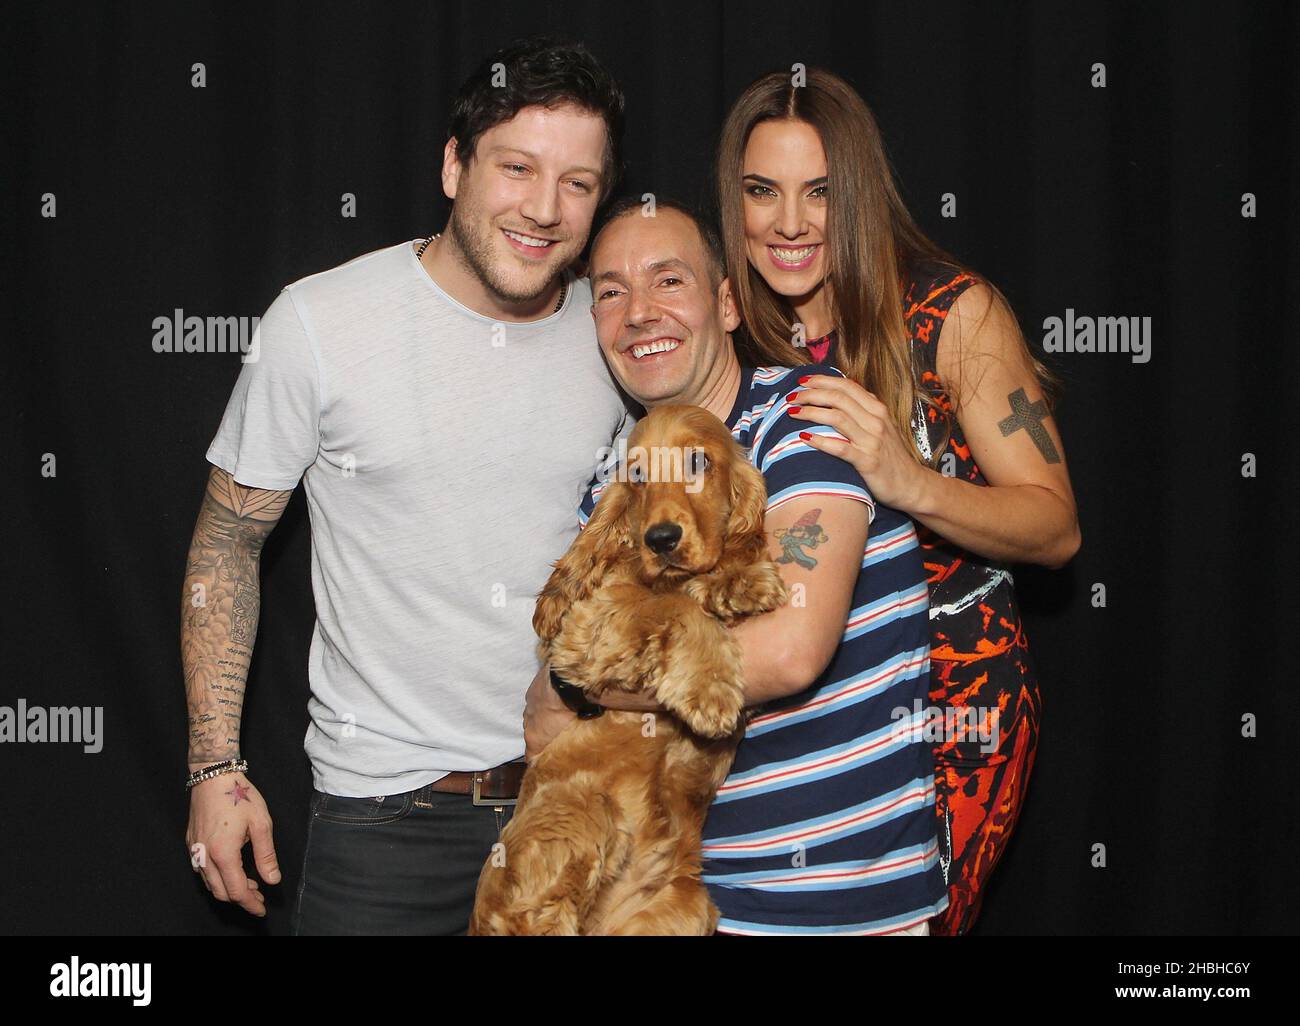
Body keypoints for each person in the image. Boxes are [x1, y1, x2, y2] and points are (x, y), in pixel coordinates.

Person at [181, 36, 633, 935]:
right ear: (453, 164)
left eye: (577, 184)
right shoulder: (319, 323)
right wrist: (212, 770)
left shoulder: (619, 330)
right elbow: (226, 541)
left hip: (581, 806)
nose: (544, 208)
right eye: (517, 167)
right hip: (384, 819)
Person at [712, 67, 1082, 934]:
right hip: (801, 704)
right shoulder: (739, 330)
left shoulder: (953, 315)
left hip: (952, 698)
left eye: (822, 192)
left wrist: (906, 479)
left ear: (863, 194)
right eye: (763, 192)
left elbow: (1056, 526)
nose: (791, 223)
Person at [524, 197, 949, 935]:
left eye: (668, 281)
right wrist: (569, 680)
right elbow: (550, 713)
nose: (639, 312)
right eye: (612, 291)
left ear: (726, 303)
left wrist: (578, 684)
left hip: (830, 906)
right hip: (666, 901)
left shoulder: (806, 421)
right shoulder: (617, 478)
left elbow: (787, 649)